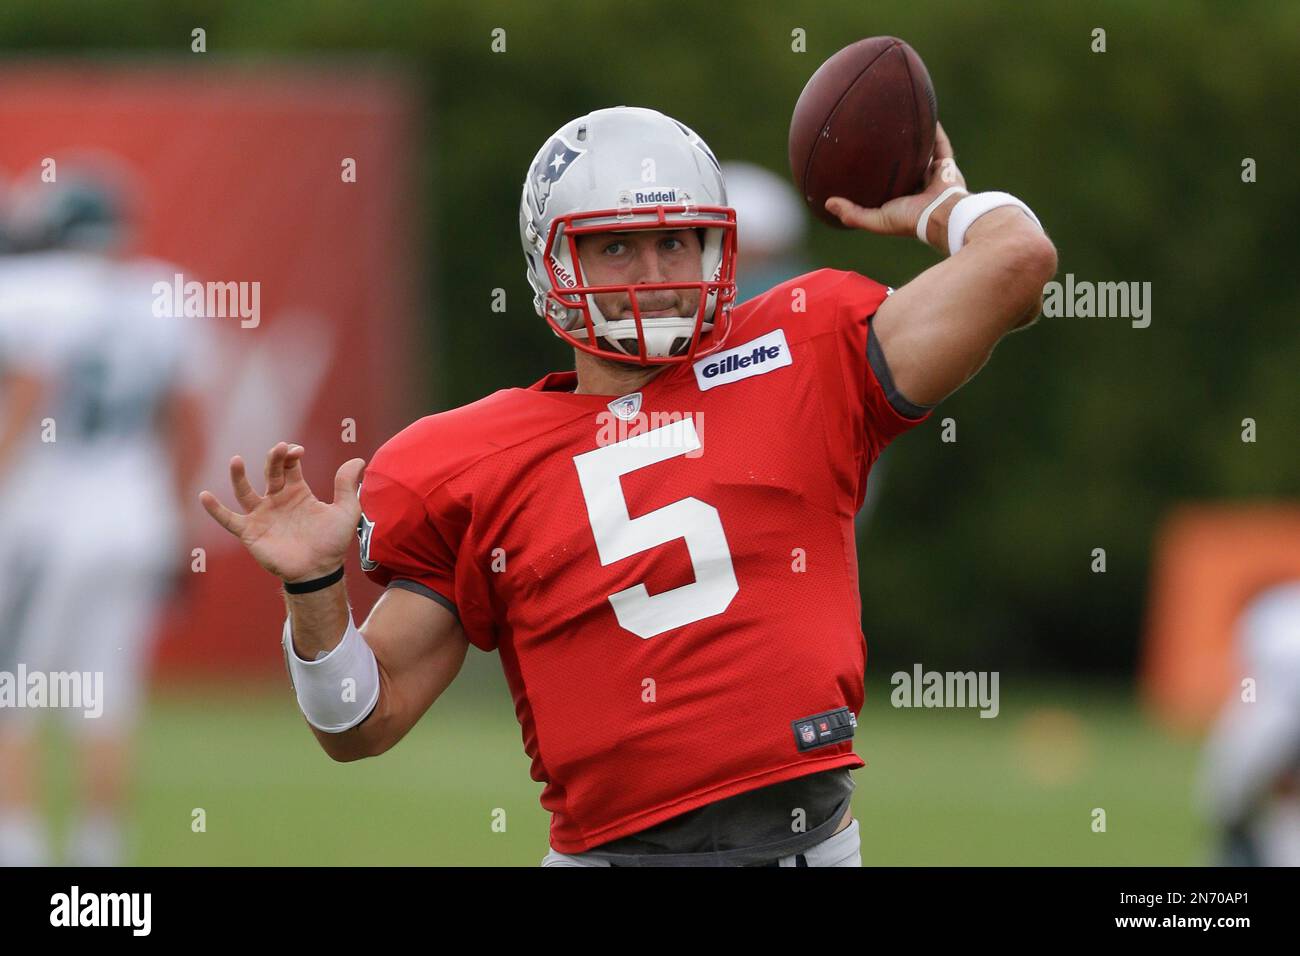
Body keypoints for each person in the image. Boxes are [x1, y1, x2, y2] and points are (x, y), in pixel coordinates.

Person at [200, 106, 1056, 866]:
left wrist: (936, 202)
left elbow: (1017, 260)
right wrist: (315, 591)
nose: (651, 269)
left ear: (715, 246)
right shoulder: (466, 462)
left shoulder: (806, 348)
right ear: (552, 260)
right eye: (615, 245)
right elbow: (358, 725)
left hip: (814, 845)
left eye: (673, 240)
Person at [0, 163, 208, 866]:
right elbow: (182, 420)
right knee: (106, 698)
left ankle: (21, 853)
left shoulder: (32, 294)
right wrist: (178, 524)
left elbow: (30, 394)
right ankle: (100, 866)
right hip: (135, 521)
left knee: (12, 693)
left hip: (47, 524)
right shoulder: (162, 294)